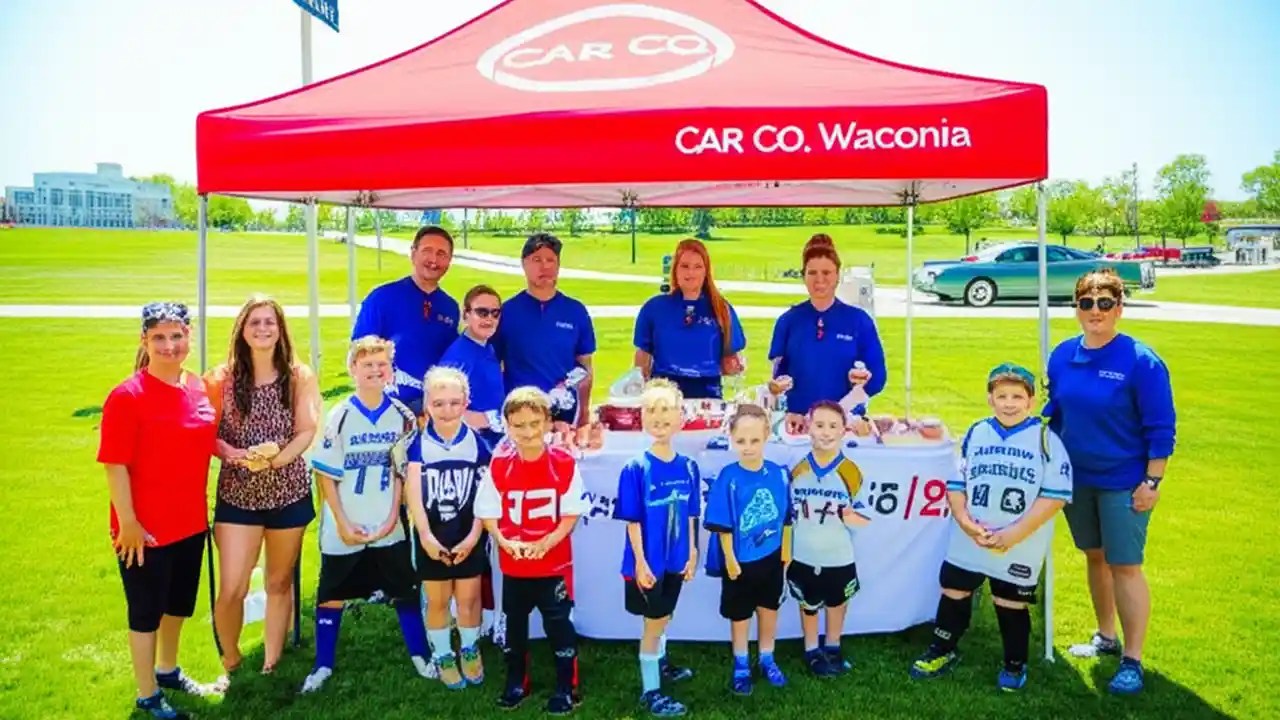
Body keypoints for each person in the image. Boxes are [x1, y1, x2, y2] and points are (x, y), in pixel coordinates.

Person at [1045, 268, 1175, 695]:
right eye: (1086, 303)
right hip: (1075, 481)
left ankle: (1132, 661)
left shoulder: (1141, 361)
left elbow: (1160, 429)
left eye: (1105, 303)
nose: (1095, 311)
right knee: (1095, 557)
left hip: (1124, 481)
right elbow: (1056, 413)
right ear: (1076, 309)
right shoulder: (1062, 355)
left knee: (1125, 565)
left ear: (1119, 308)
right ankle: (1106, 636)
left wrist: (1152, 483)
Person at [910, 363, 1072, 691]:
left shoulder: (1045, 439)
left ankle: (1015, 663)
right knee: (954, 589)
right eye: (1001, 396)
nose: (1009, 403)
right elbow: (956, 483)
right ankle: (942, 649)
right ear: (990, 399)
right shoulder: (977, 431)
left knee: (1010, 602)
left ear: (1030, 401)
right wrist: (966, 522)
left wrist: (1014, 534)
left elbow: (1055, 496)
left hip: (1019, 540)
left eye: (1017, 396)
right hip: (971, 535)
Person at [97, 302, 218, 720]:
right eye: (160, 337)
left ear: (189, 337)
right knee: (146, 612)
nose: (170, 345)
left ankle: (167, 671)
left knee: (178, 605)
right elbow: (115, 464)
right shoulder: (127, 396)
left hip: (190, 522)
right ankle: (147, 695)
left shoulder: (198, 387)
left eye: (177, 335)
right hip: (144, 530)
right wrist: (127, 523)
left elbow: (205, 439)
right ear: (144, 341)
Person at [300, 336, 433, 693]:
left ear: (391, 370)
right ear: (352, 369)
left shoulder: (403, 417)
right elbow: (326, 475)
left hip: (387, 522)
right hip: (344, 523)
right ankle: (323, 663)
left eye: (382, 364)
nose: (376, 370)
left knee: (404, 588)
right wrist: (342, 522)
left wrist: (393, 518)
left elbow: (403, 473)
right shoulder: (340, 414)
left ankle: (421, 654)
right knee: (332, 592)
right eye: (367, 365)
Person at [207, 295, 320, 678]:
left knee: (279, 580)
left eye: (269, 322)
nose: (262, 329)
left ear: (280, 328)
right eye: (254, 322)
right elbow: (208, 433)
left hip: (287, 491)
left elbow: (306, 430)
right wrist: (230, 452)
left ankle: (272, 660)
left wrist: (277, 459)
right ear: (242, 329)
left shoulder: (298, 375)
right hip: (238, 494)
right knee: (232, 587)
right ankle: (231, 657)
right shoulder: (220, 378)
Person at [475, 386, 589, 714]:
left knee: (558, 623)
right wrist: (505, 541)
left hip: (553, 563)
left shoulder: (563, 463)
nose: (527, 432)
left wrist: (546, 543)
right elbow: (488, 512)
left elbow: (570, 513)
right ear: (507, 426)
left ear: (548, 423)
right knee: (515, 623)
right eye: (519, 425)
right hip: (515, 563)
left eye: (535, 423)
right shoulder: (500, 464)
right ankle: (516, 680)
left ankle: (567, 685)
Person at [614, 379, 700, 718]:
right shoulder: (635, 468)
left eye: (667, 410)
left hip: (676, 558)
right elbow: (632, 520)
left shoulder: (688, 466)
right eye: (652, 409)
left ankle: (661, 663)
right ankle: (651, 692)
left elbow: (692, 514)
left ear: (681, 417)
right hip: (648, 562)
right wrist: (640, 562)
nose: (659, 417)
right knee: (653, 622)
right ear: (642, 417)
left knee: (665, 615)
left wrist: (691, 552)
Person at [406, 367, 492, 690]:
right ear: (427, 404)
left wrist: (473, 536)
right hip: (433, 537)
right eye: (439, 403)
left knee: (469, 599)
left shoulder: (477, 445)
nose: (447, 411)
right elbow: (413, 495)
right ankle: (442, 653)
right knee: (438, 599)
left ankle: (469, 648)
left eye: (455, 403)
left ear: (466, 402)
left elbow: (486, 495)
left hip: (467, 533)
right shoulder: (419, 446)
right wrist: (426, 537)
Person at [703, 404, 792, 695]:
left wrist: (786, 555)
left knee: (769, 611)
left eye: (755, 440)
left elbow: (786, 518)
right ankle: (741, 662)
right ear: (731, 438)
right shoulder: (728, 477)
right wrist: (729, 559)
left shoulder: (778, 474)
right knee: (740, 615)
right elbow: (722, 524)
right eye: (741, 441)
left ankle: (767, 657)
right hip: (739, 561)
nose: (748, 447)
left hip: (772, 558)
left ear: (767, 435)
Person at [785, 400, 871, 678]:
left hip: (838, 554)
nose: (825, 432)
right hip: (804, 552)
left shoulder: (851, 472)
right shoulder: (797, 470)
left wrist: (851, 517)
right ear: (807, 428)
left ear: (844, 430)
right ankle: (811, 649)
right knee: (808, 603)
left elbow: (865, 515)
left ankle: (833, 646)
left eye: (833, 426)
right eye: (819, 425)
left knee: (837, 602)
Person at [769, 234, 887, 435]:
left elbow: (878, 378)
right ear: (803, 275)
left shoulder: (859, 321)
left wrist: (840, 410)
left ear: (837, 275)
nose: (819, 280)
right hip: (800, 427)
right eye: (812, 272)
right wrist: (778, 395)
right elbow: (779, 377)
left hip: (846, 425)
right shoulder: (788, 321)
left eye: (826, 272)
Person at [352, 225, 460, 416]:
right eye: (427, 251)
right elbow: (361, 352)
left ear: (450, 261)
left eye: (442, 254)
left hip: (433, 409)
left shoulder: (450, 307)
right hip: (388, 406)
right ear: (413, 253)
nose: (434, 260)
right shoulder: (382, 298)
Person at [493, 233, 596, 431]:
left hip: (563, 416)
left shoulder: (575, 311)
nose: (545, 266)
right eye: (536, 260)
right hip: (521, 415)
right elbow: (493, 367)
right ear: (524, 264)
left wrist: (584, 413)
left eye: (551, 260)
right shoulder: (507, 312)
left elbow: (585, 368)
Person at [633, 238, 747, 399]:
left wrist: (736, 365)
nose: (690, 273)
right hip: (663, 394)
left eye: (697, 267)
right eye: (685, 266)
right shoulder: (654, 309)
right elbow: (641, 361)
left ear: (706, 271)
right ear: (675, 270)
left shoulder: (721, 309)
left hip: (707, 393)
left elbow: (731, 361)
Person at [438, 284, 506, 446]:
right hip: (475, 447)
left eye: (495, 313)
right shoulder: (458, 359)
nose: (489, 319)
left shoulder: (486, 346)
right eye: (482, 312)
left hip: (494, 443)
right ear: (466, 315)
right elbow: (441, 411)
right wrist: (488, 419)